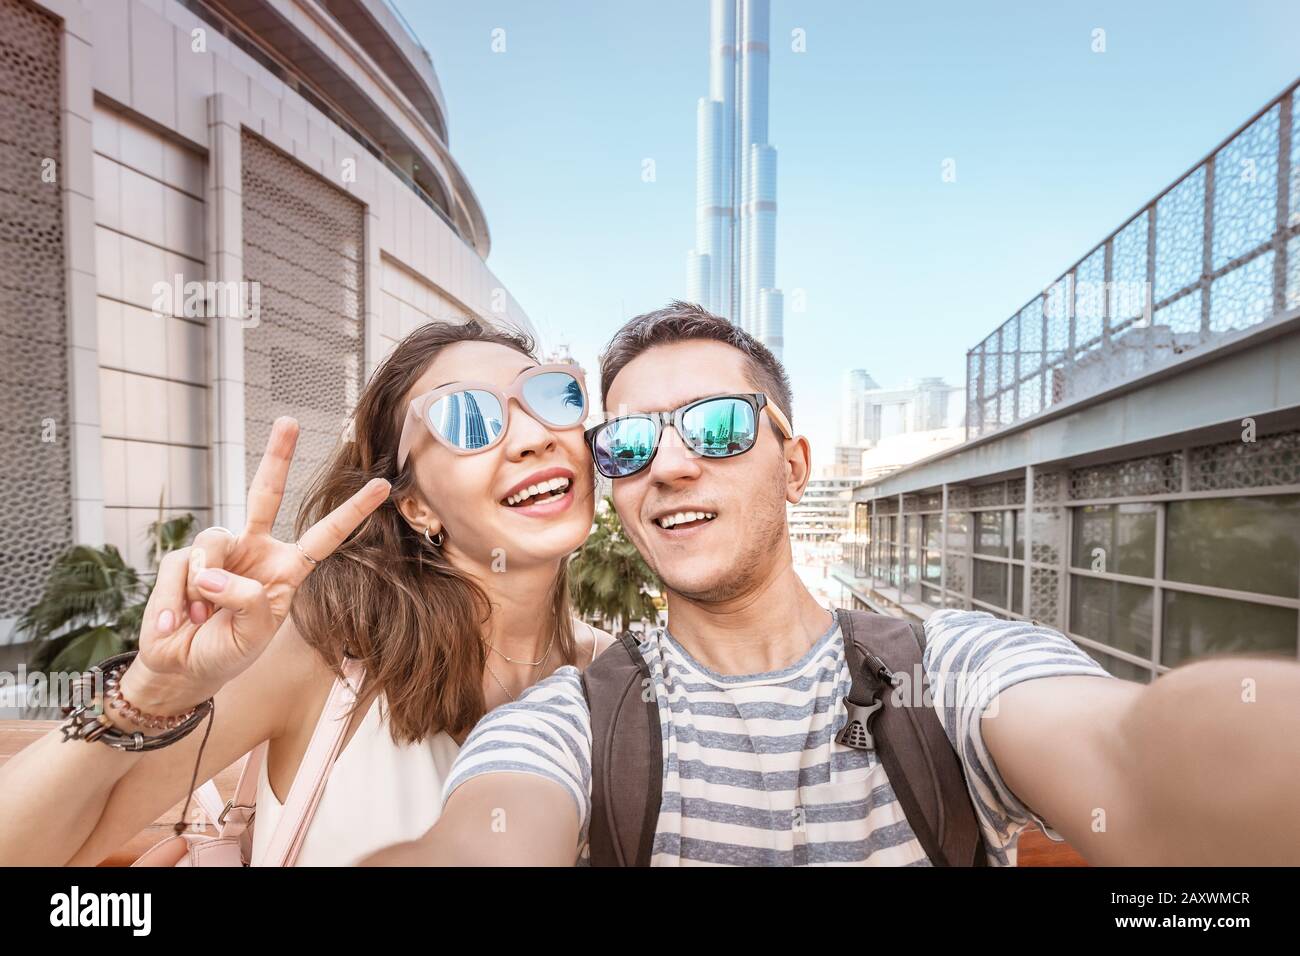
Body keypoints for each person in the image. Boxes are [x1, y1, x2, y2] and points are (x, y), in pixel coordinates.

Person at [365, 301, 1300, 867]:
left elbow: (1135, 755)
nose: (673, 466)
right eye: (632, 443)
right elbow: (488, 836)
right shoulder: (573, 719)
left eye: (720, 425)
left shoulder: (949, 669)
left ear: (794, 462)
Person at [0, 321, 611, 866]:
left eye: (551, 395)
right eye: (467, 418)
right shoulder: (324, 651)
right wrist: (153, 689)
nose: (533, 436)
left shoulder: (614, 677)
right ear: (417, 505)